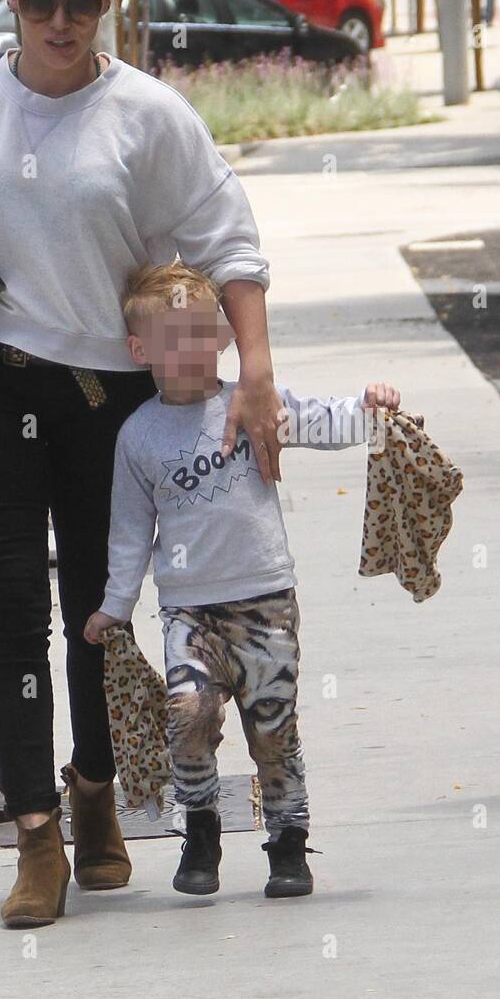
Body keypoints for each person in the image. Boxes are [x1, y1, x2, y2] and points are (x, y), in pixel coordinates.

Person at [0, 0, 288, 927]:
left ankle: (95, 790)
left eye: (82, 3)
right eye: (38, 1)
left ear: (110, 0)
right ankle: (34, 837)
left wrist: (258, 375)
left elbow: (232, 242)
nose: (60, 23)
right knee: (11, 613)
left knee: (97, 619)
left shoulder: (147, 114)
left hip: (114, 404)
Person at [84, 262, 400, 899]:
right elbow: (128, 532)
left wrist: (367, 411)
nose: (191, 350)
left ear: (225, 337)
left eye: (203, 333)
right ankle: (199, 827)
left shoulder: (248, 403)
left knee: (273, 726)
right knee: (188, 712)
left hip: (265, 602)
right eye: (174, 339)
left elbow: (319, 420)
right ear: (139, 351)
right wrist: (115, 606)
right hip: (188, 613)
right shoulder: (138, 436)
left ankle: (288, 843)